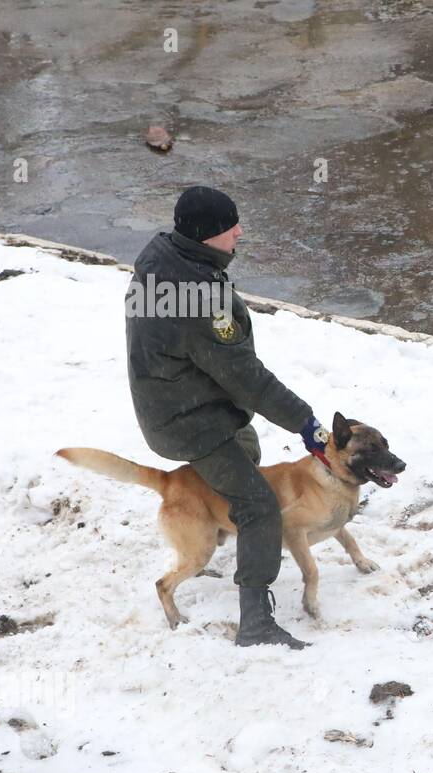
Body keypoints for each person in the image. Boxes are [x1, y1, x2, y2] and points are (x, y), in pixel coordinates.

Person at [125, 186, 328, 649]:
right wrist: (304, 422)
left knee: (247, 448)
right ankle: (256, 623)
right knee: (260, 507)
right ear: (204, 236)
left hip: (167, 399)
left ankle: (218, 524)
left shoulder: (161, 255)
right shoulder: (198, 298)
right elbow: (245, 377)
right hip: (190, 420)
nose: (239, 231)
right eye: (228, 227)